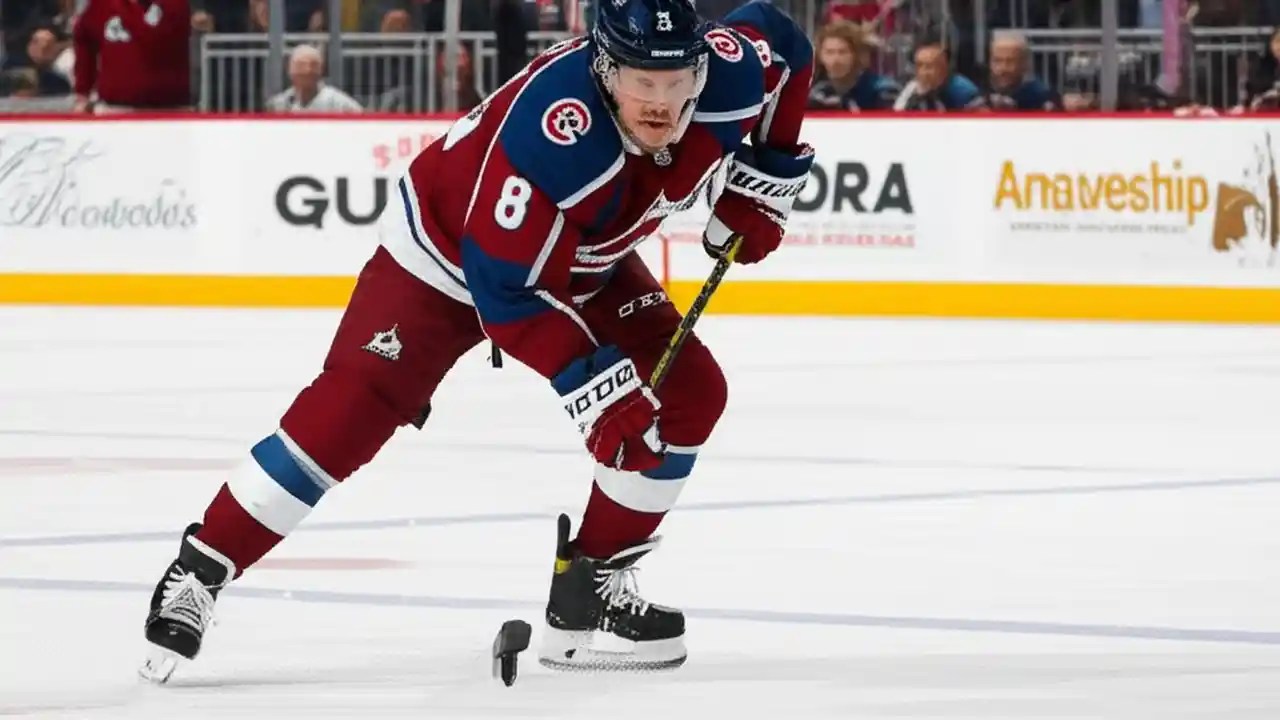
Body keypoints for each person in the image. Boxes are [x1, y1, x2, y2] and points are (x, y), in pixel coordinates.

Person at [139, 0, 815, 682]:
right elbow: (507, 293)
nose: (662, 102)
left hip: (584, 259)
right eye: (642, 80)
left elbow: (784, 42)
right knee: (351, 411)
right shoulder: (554, 132)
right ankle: (202, 567)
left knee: (691, 392)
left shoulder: (730, 75)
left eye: (676, 81)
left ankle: (588, 592)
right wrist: (594, 390)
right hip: (445, 258)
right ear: (604, 67)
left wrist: (769, 177)